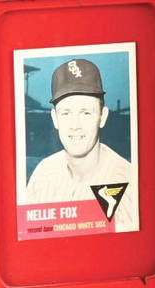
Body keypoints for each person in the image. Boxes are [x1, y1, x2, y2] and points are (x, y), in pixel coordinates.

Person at [24, 57, 137, 231]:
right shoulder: (43, 173)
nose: (75, 125)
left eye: (85, 113)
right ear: (55, 118)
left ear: (103, 116)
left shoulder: (126, 181)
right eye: (66, 113)